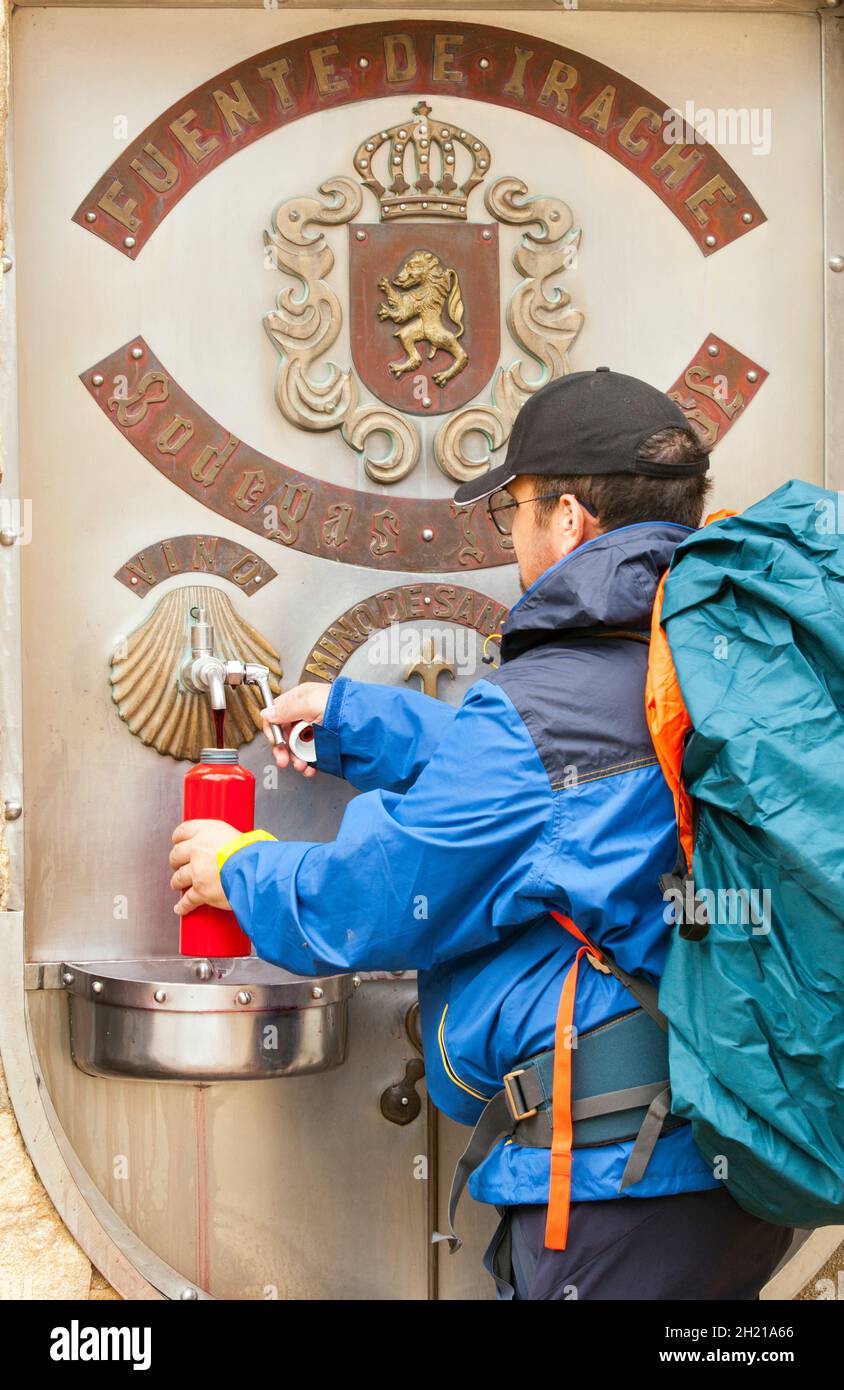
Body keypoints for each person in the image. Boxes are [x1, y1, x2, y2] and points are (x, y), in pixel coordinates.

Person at [169, 369, 793, 1300]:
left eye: (515, 510)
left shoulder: (553, 702)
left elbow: (378, 899)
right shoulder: (707, 652)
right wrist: (359, 722)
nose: (514, 537)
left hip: (619, 1175)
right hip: (733, 1155)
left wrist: (245, 870)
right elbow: (579, 785)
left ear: (571, 519)